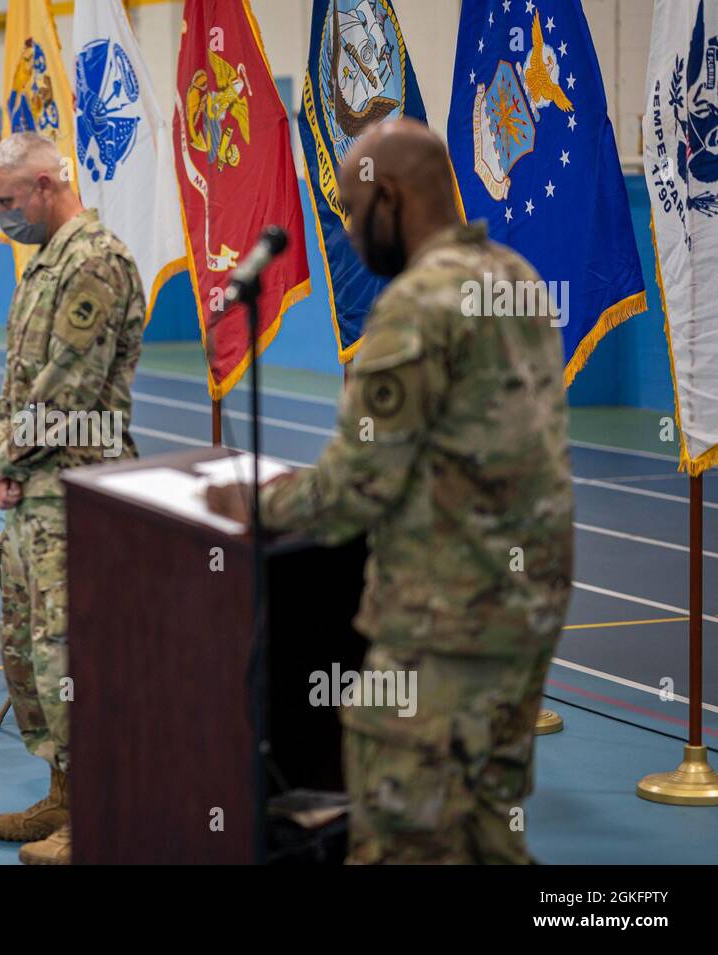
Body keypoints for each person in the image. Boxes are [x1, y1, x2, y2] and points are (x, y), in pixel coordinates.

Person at [206, 119, 573, 864]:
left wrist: (256, 503)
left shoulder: (417, 305)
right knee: (486, 830)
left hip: (441, 622)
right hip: (525, 610)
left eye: (350, 205)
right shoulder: (514, 277)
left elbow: (355, 488)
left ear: (391, 196)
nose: (346, 226)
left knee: (402, 837)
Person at [0, 132, 144, 866]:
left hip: (81, 488)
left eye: (10, 202)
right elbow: (24, 379)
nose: (4, 217)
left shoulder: (95, 262)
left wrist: (5, 453)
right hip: (36, 488)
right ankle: (62, 786)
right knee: (27, 651)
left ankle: (102, 810)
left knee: (71, 652)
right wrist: (11, 463)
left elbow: (70, 389)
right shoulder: (44, 263)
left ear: (46, 185)